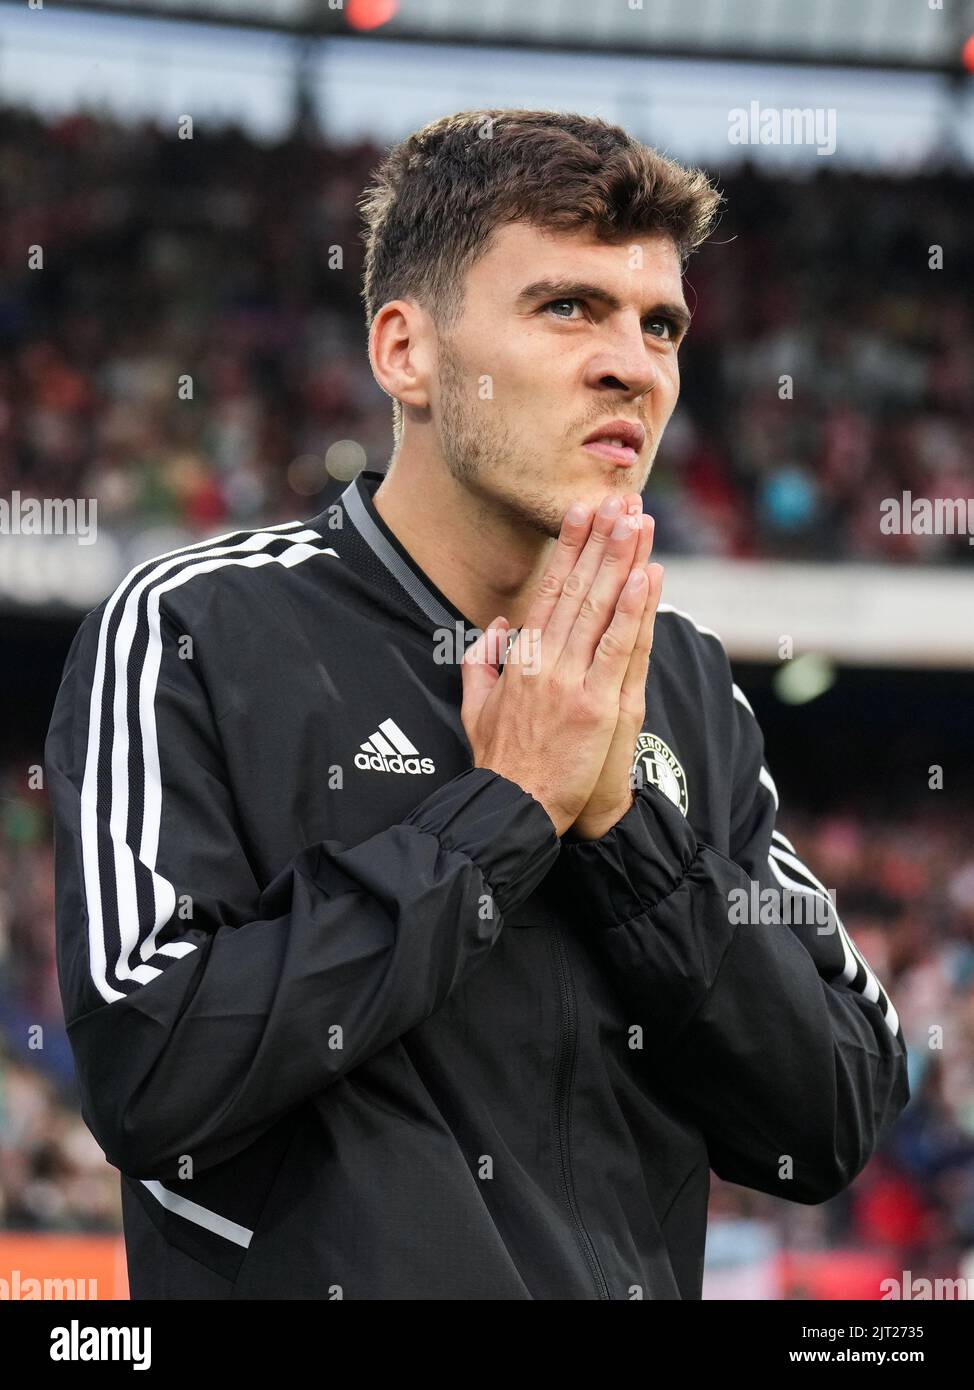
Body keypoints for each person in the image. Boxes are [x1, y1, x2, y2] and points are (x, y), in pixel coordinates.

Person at [45, 108, 909, 1300]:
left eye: (658, 323)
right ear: (406, 352)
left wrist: (625, 834)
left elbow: (833, 1113)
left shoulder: (685, 680)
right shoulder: (199, 630)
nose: (634, 363)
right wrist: (506, 811)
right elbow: (148, 1071)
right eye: (566, 307)